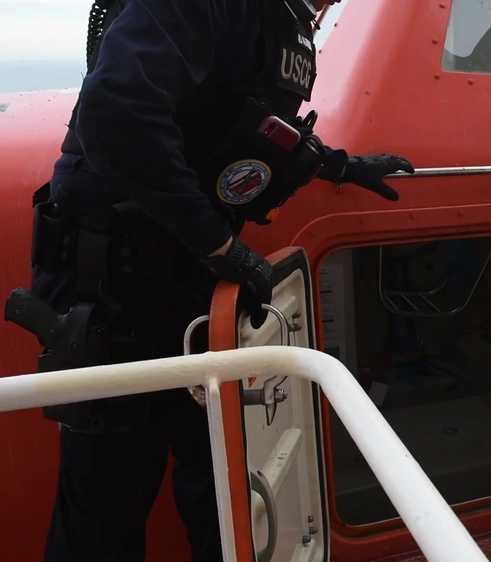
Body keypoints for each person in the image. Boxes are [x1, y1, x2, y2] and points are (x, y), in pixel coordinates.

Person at [9, 0, 414, 560]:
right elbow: (116, 113)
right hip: (113, 282)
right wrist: (220, 245)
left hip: (179, 269)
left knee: (219, 479)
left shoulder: (276, 17)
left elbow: (236, 123)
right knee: (108, 495)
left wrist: (336, 165)